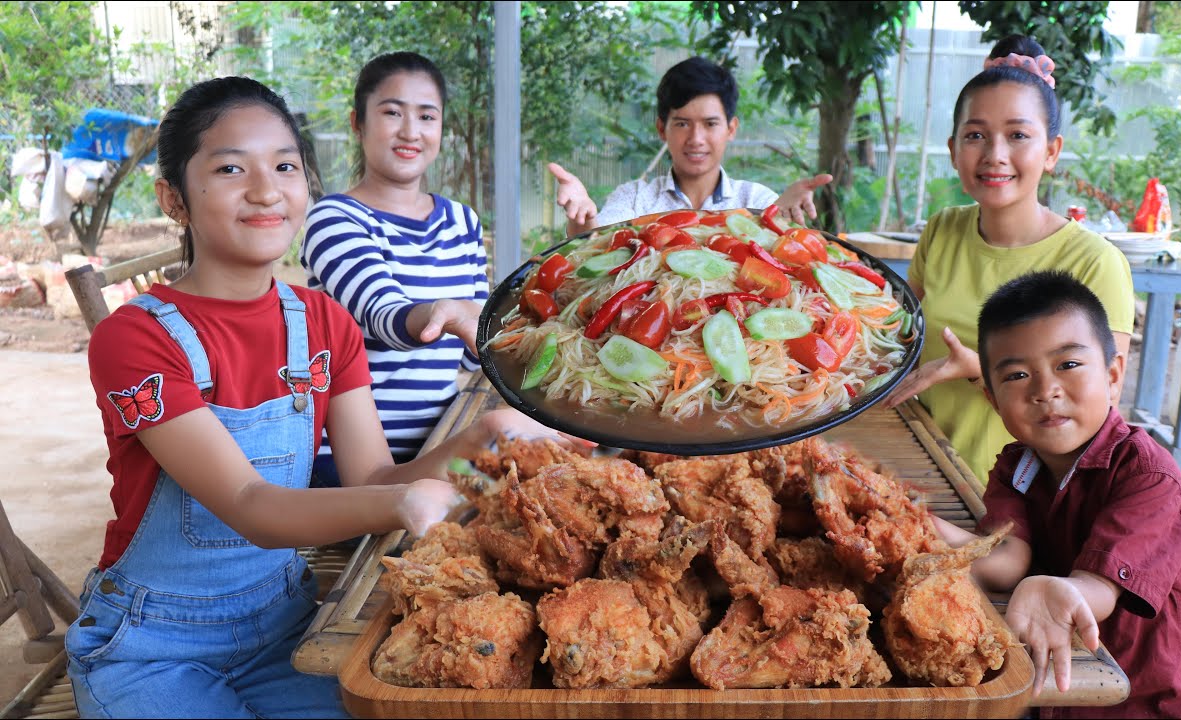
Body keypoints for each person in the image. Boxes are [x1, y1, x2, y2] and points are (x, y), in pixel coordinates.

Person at [68, 76, 584, 719]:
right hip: (152, 644)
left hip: (285, 626)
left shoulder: (323, 323)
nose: (266, 190)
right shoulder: (134, 338)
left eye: (285, 166)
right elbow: (250, 503)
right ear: (173, 197)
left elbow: (373, 477)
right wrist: (401, 501)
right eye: (231, 168)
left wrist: (482, 438)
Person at [932, 269, 1181, 718]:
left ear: (1113, 374)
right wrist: (921, 526)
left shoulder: (1151, 477)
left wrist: (1058, 589)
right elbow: (1006, 560)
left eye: (1068, 365)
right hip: (1052, 691)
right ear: (994, 400)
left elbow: (1098, 589)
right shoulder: (1015, 467)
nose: (1045, 391)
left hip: (1137, 699)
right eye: (1018, 374)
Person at [884, 35, 1135, 484]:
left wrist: (983, 372)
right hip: (923, 473)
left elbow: (1100, 407)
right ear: (953, 150)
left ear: (1051, 151)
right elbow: (898, 344)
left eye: (1018, 135)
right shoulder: (942, 231)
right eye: (975, 135)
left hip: (1024, 496)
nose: (995, 155)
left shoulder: (1095, 262)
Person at [301, 52, 489, 486]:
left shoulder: (462, 222)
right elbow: (385, 318)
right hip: (349, 465)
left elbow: (473, 351)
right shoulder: (334, 218)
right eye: (392, 112)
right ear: (358, 123)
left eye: (427, 116)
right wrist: (443, 312)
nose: (410, 131)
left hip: (441, 442)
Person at [548, 56, 833, 235]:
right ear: (662, 129)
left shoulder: (757, 201)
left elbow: (787, 263)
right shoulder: (635, 200)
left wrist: (778, 218)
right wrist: (582, 216)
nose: (696, 139)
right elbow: (594, 244)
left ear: (731, 129)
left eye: (710, 124)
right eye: (683, 123)